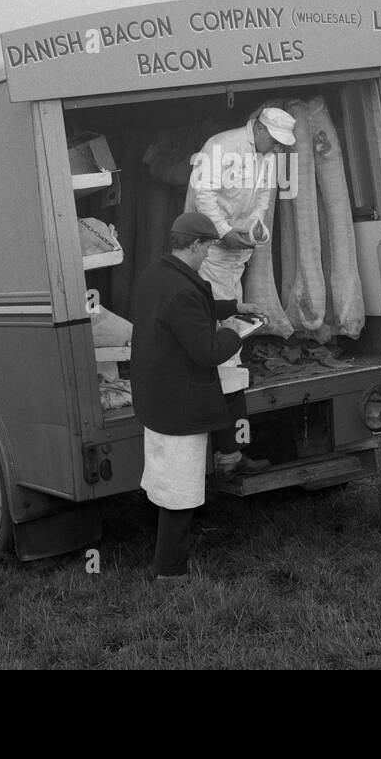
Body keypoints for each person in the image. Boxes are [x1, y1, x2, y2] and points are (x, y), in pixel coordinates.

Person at [130, 212, 257, 580]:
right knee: (180, 492)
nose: (207, 254)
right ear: (198, 244)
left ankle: (167, 561)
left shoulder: (156, 274)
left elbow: (184, 312)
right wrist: (236, 332)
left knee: (163, 482)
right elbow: (206, 351)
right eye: (208, 247)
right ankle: (170, 573)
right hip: (180, 407)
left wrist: (233, 307)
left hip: (155, 398)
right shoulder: (183, 289)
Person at [187, 106, 296, 477]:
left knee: (231, 315)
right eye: (276, 142)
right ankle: (229, 451)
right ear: (260, 129)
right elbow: (204, 194)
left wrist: (255, 228)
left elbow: (264, 198)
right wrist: (223, 231)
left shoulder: (267, 156)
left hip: (237, 250)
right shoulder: (221, 146)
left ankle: (229, 447)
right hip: (211, 248)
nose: (278, 150)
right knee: (221, 326)